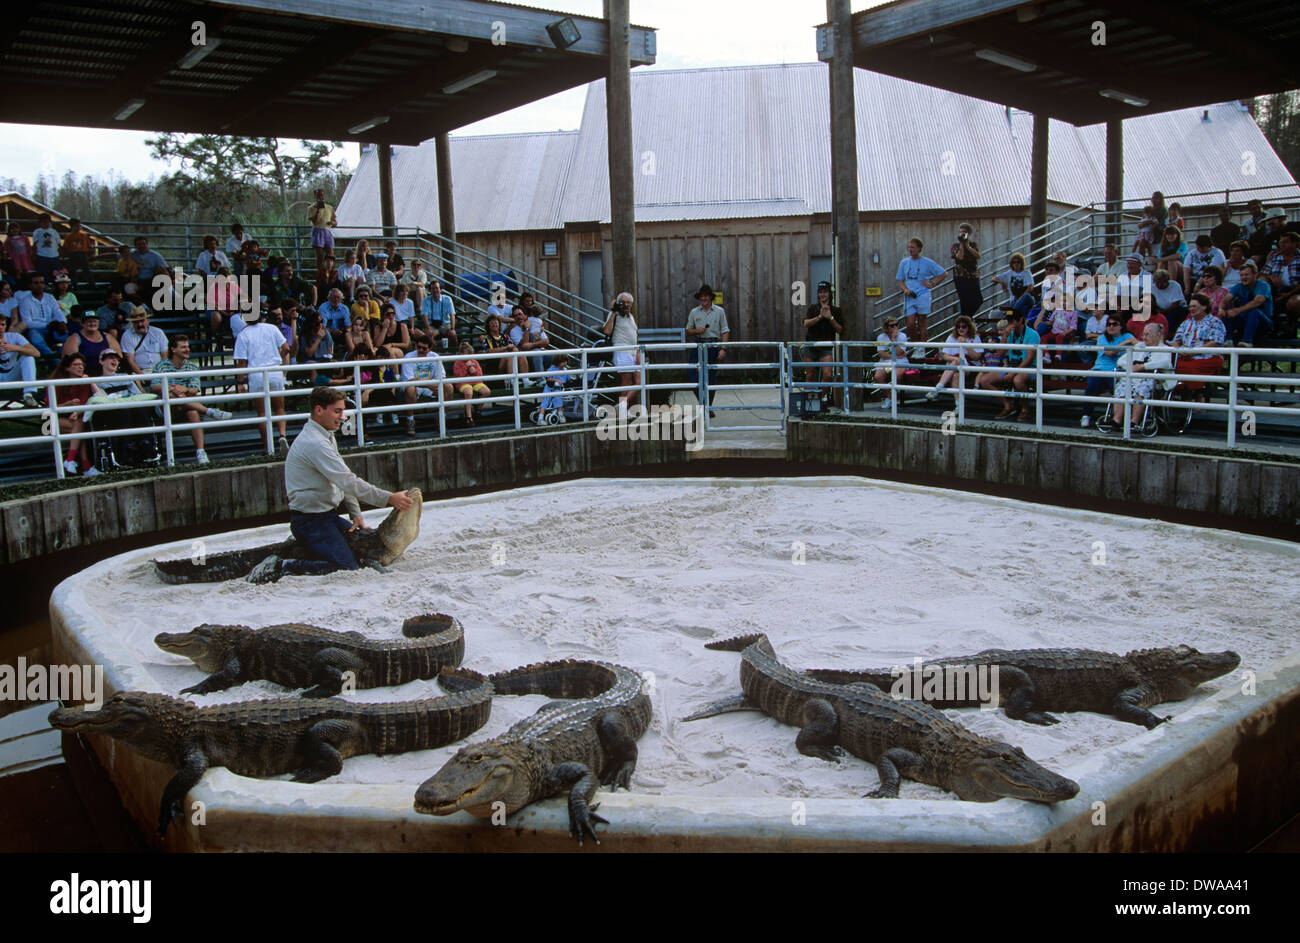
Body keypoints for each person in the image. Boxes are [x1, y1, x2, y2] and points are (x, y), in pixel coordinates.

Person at [247, 385, 415, 583]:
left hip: (327, 517)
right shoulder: (315, 443)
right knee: (346, 567)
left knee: (363, 550)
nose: (342, 417)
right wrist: (389, 498)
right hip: (310, 522)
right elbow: (347, 480)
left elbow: (342, 479)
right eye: (337, 411)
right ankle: (284, 566)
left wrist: (356, 514)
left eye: (342, 411)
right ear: (319, 410)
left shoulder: (326, 436)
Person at [151, 334, 233, 465]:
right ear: (173, 349)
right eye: (183, 347)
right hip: (167, 407)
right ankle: (209, 411)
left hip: (187, 406)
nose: (187, 349)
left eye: (188, 347)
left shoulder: (192, 367)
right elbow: (154, 387)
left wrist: (184, 389)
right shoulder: (161, 366)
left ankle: (200, 452)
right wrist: (172, 388)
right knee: (174, 396)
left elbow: (195, 389)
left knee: (193, 413)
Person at [233, 307, 292, 454]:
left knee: (262, 413)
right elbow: (286, 348)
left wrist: (240, 383)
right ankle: (282, 435)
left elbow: (241, 362)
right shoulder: (272, 328)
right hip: (275, 371)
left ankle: (268, 447)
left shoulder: (243, 334)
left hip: (257, 374)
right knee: (279, 408)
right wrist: (278, 357)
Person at [1108, 322, 1173, 430]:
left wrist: (1144, 366)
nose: (1144, 337)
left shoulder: (1165, 348)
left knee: (1141, 387)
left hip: (1152, 380)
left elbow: (1166, 363)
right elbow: (1121, 361)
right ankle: (1117, 420)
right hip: (1134, 377)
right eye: (1143, 335)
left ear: (1158, 335)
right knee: (1122, 386)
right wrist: (1132, 366)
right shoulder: (1139, 346)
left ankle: (1134, 421)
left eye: (1147, 335)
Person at [976, 309, 1038, 422]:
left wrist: (1013, 372)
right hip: (1011, 366)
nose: (1010, 324)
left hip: (1029, 368)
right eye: (1009, 321)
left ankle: (1025, 409)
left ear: (1021, 320)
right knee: (984, 380)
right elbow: (999, 355)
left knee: (1018, 380)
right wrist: (1004, 336)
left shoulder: (1032, 335)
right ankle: (1008, 405)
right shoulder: (1010, 334)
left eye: (1013, 321)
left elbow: (1029, 359)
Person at [48, 353, 101, 476]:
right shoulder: (55, 383)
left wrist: (77, 412)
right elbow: (48, 410)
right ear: (67, 368)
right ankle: (84, 465)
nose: (80, 367)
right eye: (76, 364)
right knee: (79, 429)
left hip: (74, 421)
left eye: (82, 365)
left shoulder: (83, 382)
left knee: (79, 425)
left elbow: (89, 402)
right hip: (50, 420)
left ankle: (71, 461)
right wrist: (67, 404)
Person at [1078, 315, 1136, 427]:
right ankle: (1086, 416)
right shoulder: (1102, 338)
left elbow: (1138, 344)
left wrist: (1133, 341)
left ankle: (1118, 418)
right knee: (1091, 387)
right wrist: (1125, 343)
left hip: (1119, 371)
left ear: (1121, 326)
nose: (1111, 327)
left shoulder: (1128, 336)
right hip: (1099, 370)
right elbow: (1110, 352)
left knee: (1119, 390)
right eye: (1109, 324)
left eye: (1114, 324)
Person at [1172, 293, 1227, 402]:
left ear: (1204, 306)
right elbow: (1177, 340)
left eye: (1194, 306)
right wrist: (1178, 350)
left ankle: (1197, 396)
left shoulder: (1215, 322)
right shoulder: (1186, 323)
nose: (1191, 309)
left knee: (1189, 367)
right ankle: (1185, 397)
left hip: (1207, 357)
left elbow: (1215, 342)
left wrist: (1194, 352)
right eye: (1190, 306)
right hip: (1185, 356)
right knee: (1172, 366)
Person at [685, 284, 729, 412]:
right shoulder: (694, 312)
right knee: (692, 375)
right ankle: (704, 404)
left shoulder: (719, 311)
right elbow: (687, 330)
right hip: (698, 345)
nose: (703, 298)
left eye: (706, 296)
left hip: (713, 346)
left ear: (710, 297)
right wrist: (696, 330)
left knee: (711, 377)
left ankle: (708, 407)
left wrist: (723, 348)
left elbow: (725, 331)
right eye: (701, 296)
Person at [895, 238, 945, 346]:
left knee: (922, 322)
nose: (910, 249)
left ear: (919, 249)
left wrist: (932, 284)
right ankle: (916, 345)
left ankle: (922, 348)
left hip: (923, 295)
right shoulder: (904, 262)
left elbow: (943, 274)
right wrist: (905, 289)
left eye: (912, 247)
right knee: (910, 324)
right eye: (909, 247)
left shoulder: (927, 262)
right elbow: (899, 279)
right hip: (910, 296)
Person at [400, 337, 453, 436]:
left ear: (430, 348)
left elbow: (441, 377)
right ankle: (410, 421)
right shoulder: (408, 357)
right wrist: (428, 385)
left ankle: (441, 418)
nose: (420, 350)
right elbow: (411, 380)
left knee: (448, 386)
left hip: (430, 385)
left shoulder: (435, 356)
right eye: (418, 347)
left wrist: (432, 385)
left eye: (424, 348)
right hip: (414, 386)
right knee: (410, 388)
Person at [926, 314, 983, 400]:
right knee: (956, 375)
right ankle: (958, 406)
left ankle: (938, 388)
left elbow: (977, 357)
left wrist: (966, 345)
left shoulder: (975, 338)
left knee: (956, 363)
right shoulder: (951, 337)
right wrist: (956, 359)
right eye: (958, 326)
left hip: (970, 366)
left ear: (969, 327)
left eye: (963, 326)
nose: (961, 329)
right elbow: (945, 356)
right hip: (955, 366)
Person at [603, 290, 643, 409]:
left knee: (639, 383)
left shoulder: (630, 316)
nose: (626, 305)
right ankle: (623, 409)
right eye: (623, 302)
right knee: (626, 382)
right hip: (622, 351)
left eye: (628, 302)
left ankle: (622, 404)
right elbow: (606, 331)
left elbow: (634, 335)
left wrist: (637, 352)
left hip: (633, 351)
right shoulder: (615, 315)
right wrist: (613, 311)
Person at [15, 272, 67, 355]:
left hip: (53, 326)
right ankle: (55, 360)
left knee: (69, 338)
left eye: (42, 283)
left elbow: (58, 312)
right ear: (30, 285)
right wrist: (47, 325)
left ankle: (60, 358)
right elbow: (27, 322)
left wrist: (62, 321)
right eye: (36, 283)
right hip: (36, 329)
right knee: (36, 340)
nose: (39, 285)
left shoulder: (49, 297)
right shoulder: (25, 301)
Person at [1223, 262, 1273, 346]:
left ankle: (1247, 341)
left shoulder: (1263, 285)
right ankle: (1228, 340)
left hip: (1262, 322)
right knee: (1227, 312)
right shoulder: (1238, 286)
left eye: (1246, 275)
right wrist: (1221, 309)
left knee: (1254, 312)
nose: (1244, 277)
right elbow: (1226, 299)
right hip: (1244, 321)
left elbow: (1258, 301)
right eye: (1242, 275)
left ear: (1255, 274)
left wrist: (1237, 310)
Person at [0, 311, 40, 406]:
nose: (0, 327)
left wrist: (15, 347)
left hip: (12, 375)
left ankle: (28, 394)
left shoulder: (14, 336)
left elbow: (36, 353)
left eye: (2, 324)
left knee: (28, 357)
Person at [1261, 230, 1300, 327]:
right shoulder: (1275, 257)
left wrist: (1288, 294)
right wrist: (1270, 276)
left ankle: (1292, 327)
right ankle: (1268, 326)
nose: (1282, 245)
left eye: (1285, 242)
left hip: (1295, 291)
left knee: (1295, 302)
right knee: (1262, 283)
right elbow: (1261, 275)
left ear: (1295, 244)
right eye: (1280, 242)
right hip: (1276, 290)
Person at [62, 310, 120, 374]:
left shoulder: (108, 337)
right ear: (82, 323)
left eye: (94, 321)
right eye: (89, 321)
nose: (92, 324)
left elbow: (118, 357)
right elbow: (70, 363)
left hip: (106, 375)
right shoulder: (74, 339)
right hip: (85, 376)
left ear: (99, 322)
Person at [872, 317, 909, 410]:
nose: (895, 327)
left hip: (901, 361)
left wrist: (893, 340)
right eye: (892, 325)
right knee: (878, 377)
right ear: (886, 327)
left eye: (897, 324)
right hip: (887, 362)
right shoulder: (881, 337)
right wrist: (895, 356)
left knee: (898, 375)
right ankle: (891, 397)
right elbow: (881, 354)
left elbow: (900, 352)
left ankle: (891, 398)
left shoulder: (902, 336)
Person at [451, 341, 490, 425]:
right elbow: (458, 375)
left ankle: (477, 409)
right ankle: (469, 417)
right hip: (463, 383)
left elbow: (479, 374)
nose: (469, 357)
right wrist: (467, 368)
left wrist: (473, 369)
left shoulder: (474, 361)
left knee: (486, 392)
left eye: (470, 355)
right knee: (468, 392)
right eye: (466, 355)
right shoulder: (457, 363)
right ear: (461, 354)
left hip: (475, 381)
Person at [950, 223, 983, 320]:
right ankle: (965, 321)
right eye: (960, 232)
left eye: (964, 232)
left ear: (969, 234)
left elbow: (978, 256)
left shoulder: (973, 245)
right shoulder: (955, 246)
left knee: (978, 299)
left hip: (973, 276)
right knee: (964, 301)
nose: (962, 234)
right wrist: (961, 244)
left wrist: (968, 246)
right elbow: (959, 257)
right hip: (961, 276)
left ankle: (966, 319)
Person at [508, 304, 549, 379]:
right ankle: (541, 380)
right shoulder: (514, 331)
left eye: (520, 314)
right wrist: (527, 329)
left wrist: (532, 345)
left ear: (525, 315)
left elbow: (546, 341)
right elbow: (524, 346)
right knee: (537, 352)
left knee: (558, 356)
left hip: (540, 352)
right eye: (515, 315)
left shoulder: (535, 323)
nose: (518, 316)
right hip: (526, 357)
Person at [479, 313, 525, 377]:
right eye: (492, 323)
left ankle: (525, 379)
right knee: (509, 355)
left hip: (509, 359)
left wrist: (513, 349)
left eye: (496, 323)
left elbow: (512, 346)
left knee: (520, 354)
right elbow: (489, 351)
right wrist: (505, 348)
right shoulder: (486, 338)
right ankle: (511, 381)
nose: (494, 325)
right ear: (488, 326)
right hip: (494, 363)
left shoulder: (505, 336)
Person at [297, 307, 335, 377]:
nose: (320, 325)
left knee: (337, 364)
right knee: (314, 366)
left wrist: (327, 359)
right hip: (311, 360)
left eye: (321, 322)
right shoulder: (305, 335)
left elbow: (330, 350)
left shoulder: (326, 332)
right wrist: (318, 339)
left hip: (324, 359)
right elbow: (309, 354)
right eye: (317, 324)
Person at [1151, 269, 1187, 337]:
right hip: (1160, 309)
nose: (1159, 285)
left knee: (1173, 314)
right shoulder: (1152, 288)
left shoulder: (1175, 285)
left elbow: (1175, 304)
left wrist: (1163, 311)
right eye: (1157, 283)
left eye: (1161, 283)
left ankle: (1170, 335)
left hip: (1175, 309)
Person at [537, 352, 571, 424]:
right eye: (563, 362)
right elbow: (548, 379)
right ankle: (540, 417)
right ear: (558, 362)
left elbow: (569, 380)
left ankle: (560, 414)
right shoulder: (552, 369)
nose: (565, 363)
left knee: (558, 397)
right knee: (545, 400)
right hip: (550, 387)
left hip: (558, 389)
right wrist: (555, 380)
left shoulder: (565, 370)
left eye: (566, 361)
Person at [421, 279, 456, 347]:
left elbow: (452, 315)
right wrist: (428, 328)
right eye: (432, 288)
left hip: (445, 324)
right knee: (428, 335)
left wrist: (452, 329)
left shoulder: (447, 299)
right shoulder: (426, 300)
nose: (435, 290)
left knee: (453, 334)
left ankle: (453, 353)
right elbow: (424, 315)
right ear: (430, 290)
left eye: (437, 288)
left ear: (440, 290)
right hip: (432, 325)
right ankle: (436, 351)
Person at [308, 189, 338, 267]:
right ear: (315, 196)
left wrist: (332, 223)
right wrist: (318, 210)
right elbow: (315, 222)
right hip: (317, 230)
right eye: (318, 195)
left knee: (330, 253)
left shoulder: (329, 208)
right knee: (320, 255)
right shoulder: (311, 208)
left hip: (327, 231)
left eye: (321, 195)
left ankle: (330, 271)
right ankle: (320, 272)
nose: (320, 197)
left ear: (324, 196)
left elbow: (335, 223)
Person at [62, 218, 94, 288]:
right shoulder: (69, 236)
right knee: (73, 270)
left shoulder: (84, 236)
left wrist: (90, 253)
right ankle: (74, 284)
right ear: (71, 227)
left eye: (79, 226)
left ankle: (91, 284)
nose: (78, 228)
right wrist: (64, 255)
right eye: (76, 226)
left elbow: (88, 246)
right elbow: (65, 247)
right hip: (73, 254)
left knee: (86, 269)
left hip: (82, 253)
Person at [31, 213, 61, 279]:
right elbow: (35, 244)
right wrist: (34, 254)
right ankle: (45, 286)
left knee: (56, 273)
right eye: (43, 222)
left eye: (47, 222)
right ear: (40, 223)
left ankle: (56, 286)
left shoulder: (54, 231)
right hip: (42, 256)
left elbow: (59, 243)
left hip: (54, 255)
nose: (46, 224)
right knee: (43, 273)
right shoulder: (37, 231)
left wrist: (61, 252)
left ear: (50, 222)